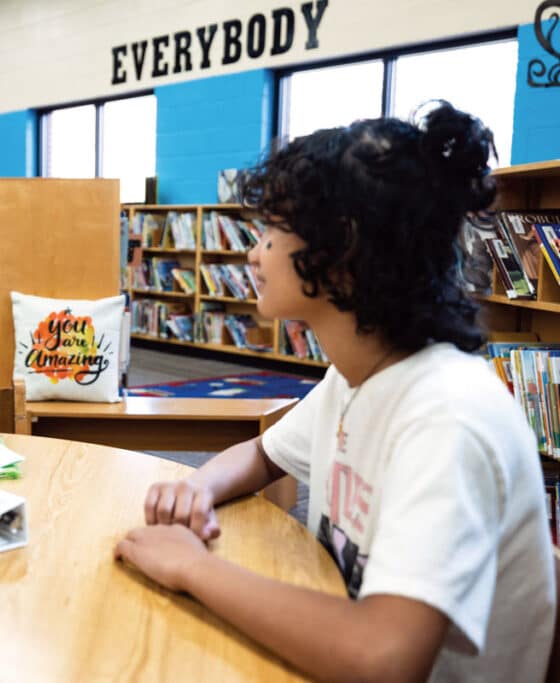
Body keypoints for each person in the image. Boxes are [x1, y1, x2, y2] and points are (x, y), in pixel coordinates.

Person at [114, 102, 556, 682]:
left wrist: (194, 569)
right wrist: (197, 487)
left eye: (273, 231)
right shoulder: (356, 373)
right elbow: (264, 454)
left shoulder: (447, 416)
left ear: (342, 250)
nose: (252, 252)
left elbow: (384, 658)